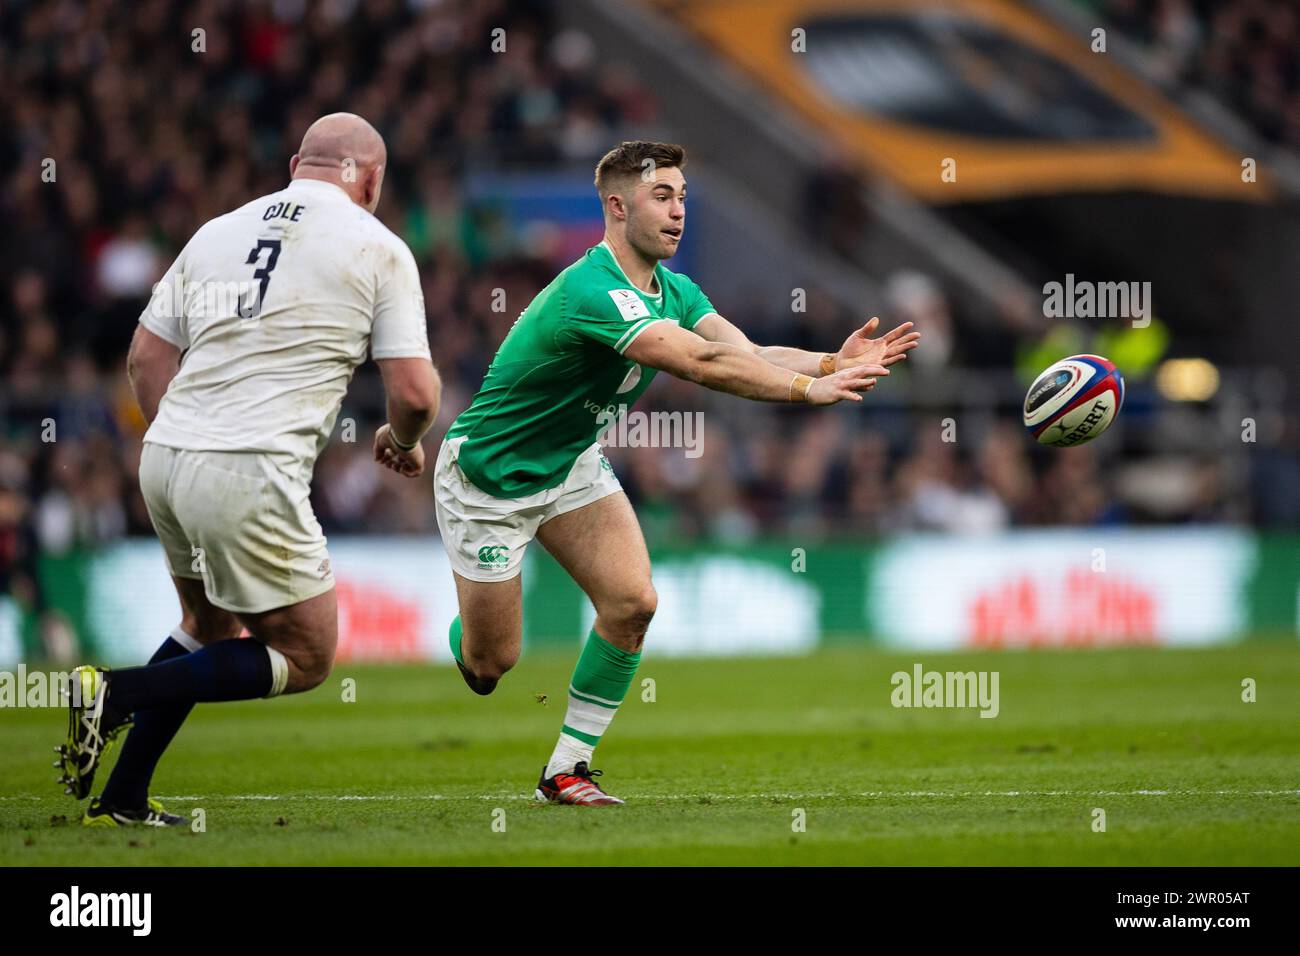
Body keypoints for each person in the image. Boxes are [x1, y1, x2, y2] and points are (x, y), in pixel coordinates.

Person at [435, 141, 919, 805]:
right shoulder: (590, 289)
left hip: (571, 465)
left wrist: (828, 363)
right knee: (493, 663)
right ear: (617, 206)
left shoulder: (674, 289)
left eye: (683, 197)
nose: (678, 210)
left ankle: (565, 770)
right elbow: (704, 366)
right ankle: (472, 630)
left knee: (634, 603)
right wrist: (808, 394)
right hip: (490, 477)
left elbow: (739, 351)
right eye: (662, 196)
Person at [57, 113, 440, 826]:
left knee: (207, 621)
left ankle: (123, 799)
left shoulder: (216, 231)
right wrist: (403, 437)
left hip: (165, 458)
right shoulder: (378, 248)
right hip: (248, 471)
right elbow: (416, 394)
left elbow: (144, 359)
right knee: (308, 653)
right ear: (373, 178)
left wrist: (183, 436)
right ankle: (113, 694)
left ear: (297, 162)